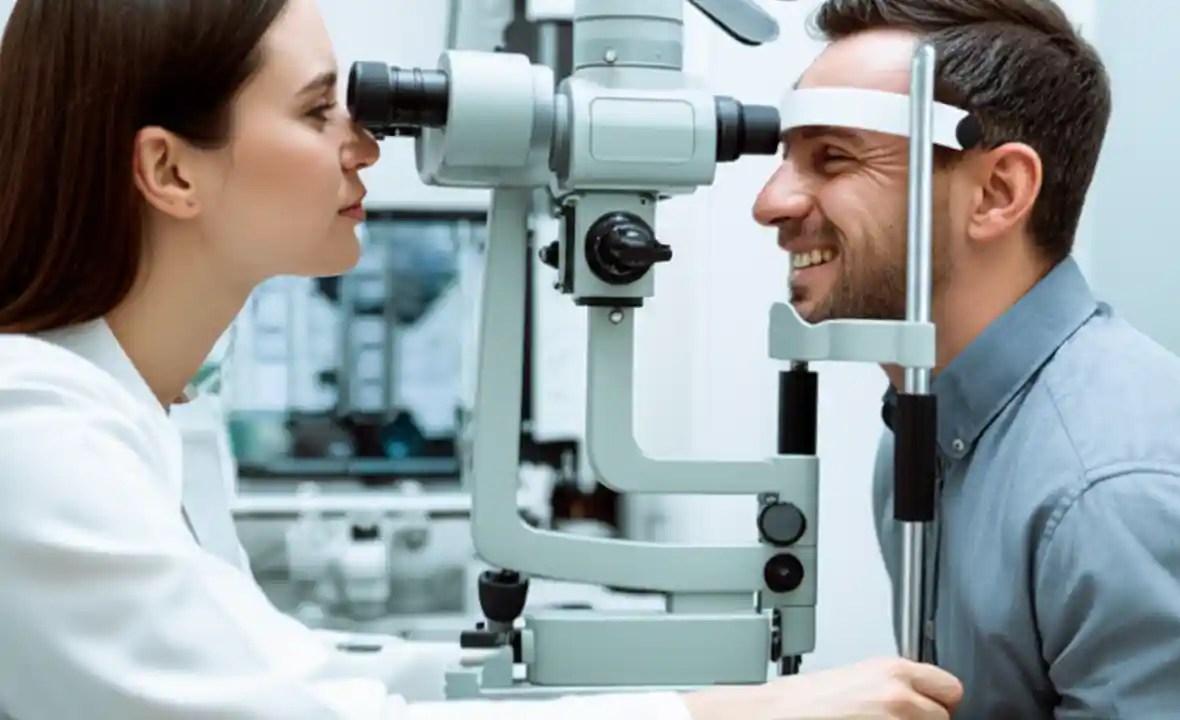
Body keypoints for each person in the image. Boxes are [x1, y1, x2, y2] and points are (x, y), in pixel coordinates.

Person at [0, 1, 967, 718]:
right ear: (172, 171)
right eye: (316, 113)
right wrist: (731, 714)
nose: (367, 143)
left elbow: (293, 678)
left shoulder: (150, 422)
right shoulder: (34, 444)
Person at [752, 0, 1180, 718]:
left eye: (833, 158)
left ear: (997, 194)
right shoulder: (928, 433)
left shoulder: (1116, 494)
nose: (771, 202)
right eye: (787, 158)